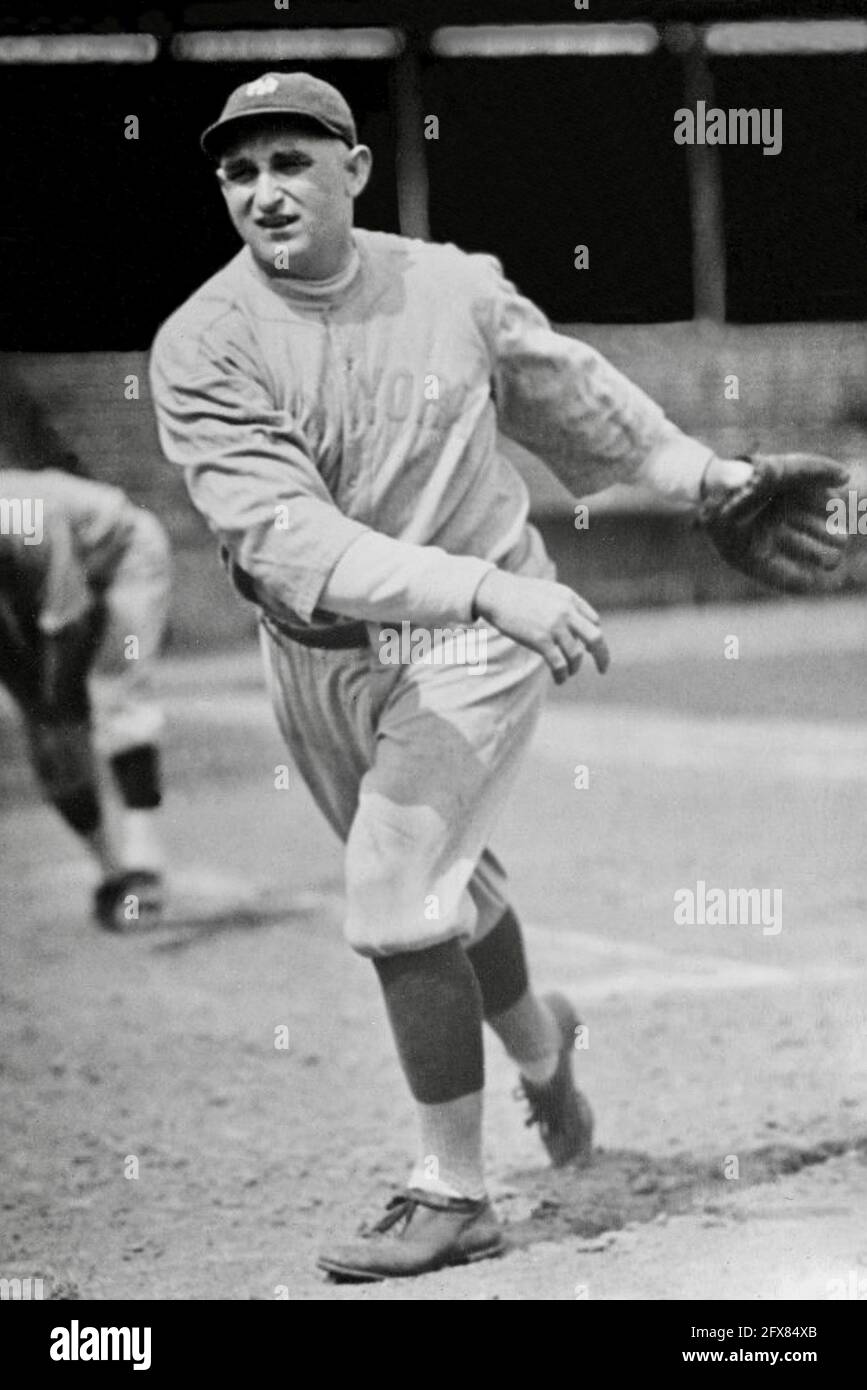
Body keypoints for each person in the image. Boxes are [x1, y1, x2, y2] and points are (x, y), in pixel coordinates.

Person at [148, 72, 819, 1281]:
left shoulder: (451, 285)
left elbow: (579, 401)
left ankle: (452, 1189)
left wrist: (704, 477)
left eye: (292, 160)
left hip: (478, 635)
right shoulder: (203, 345)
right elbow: (288, 539)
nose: (264, 190)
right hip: (316, 654)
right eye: (240, 172)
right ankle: (543, 1047)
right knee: (454, 881)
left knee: (394, 882)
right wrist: (476, 587)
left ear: (355, 168)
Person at [0, 465, 170, 930]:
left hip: (121, 553)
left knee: (115, 691)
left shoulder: (24, 517)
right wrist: (40, 716)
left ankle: (142, 862)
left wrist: (58, 709)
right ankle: (112, 872)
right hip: (42, 579)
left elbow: (67, 624)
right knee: (44, 731)